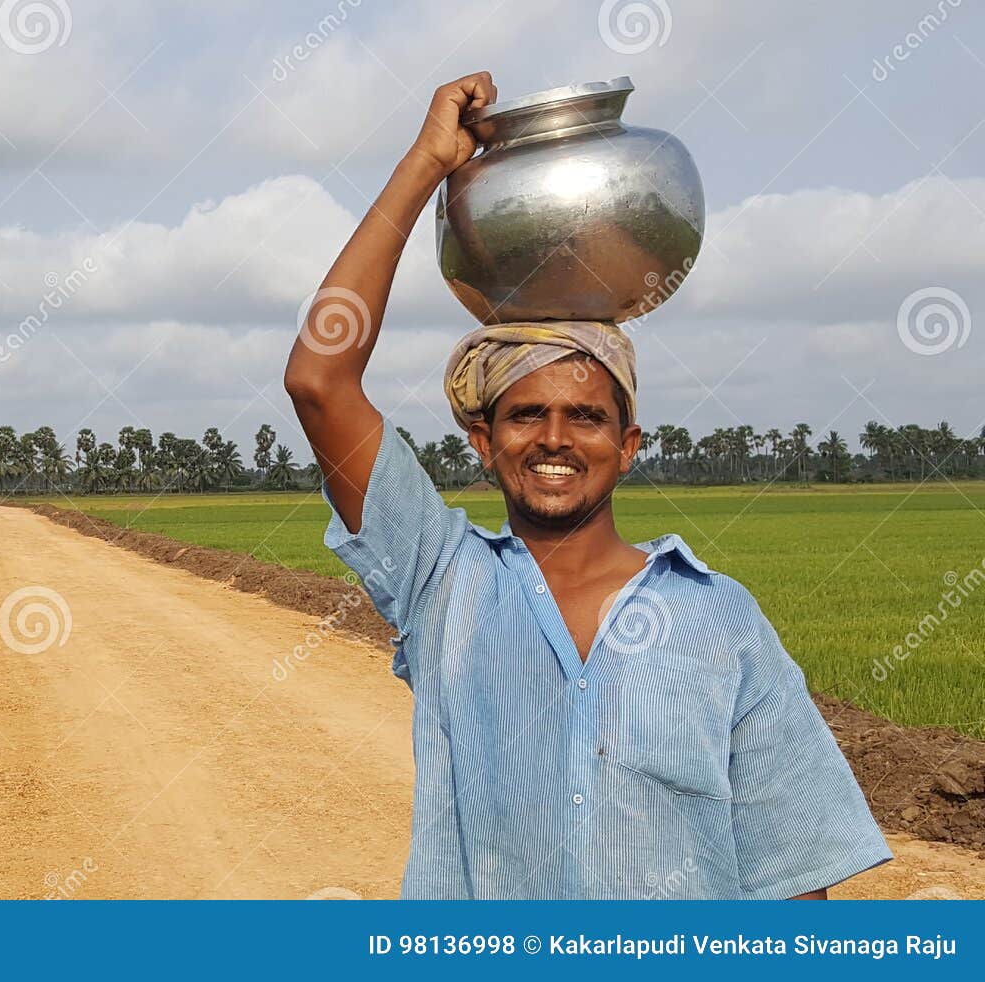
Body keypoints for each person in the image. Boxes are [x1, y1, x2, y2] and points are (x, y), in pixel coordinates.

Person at [283, 72, 890, 899]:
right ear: (483, 442)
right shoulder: (442, 581)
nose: (556, 439)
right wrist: (426, 162)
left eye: (588, 417)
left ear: (628, 444)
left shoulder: (722, 619)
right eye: (526, 414)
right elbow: (319, 380)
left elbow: (792, 882)